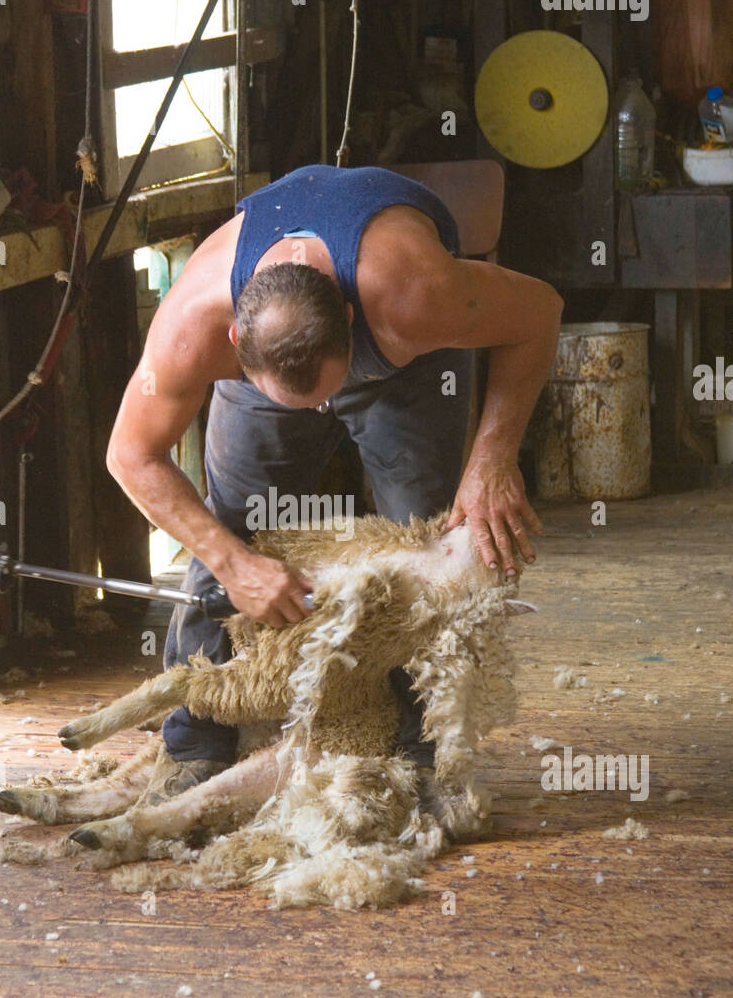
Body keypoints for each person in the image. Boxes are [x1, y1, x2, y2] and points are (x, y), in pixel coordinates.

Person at [107, 164, 563, 794]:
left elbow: (539, 311)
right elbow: (130, 455)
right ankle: (196, 741)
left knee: (425, 539)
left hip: (399, 363)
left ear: (348, 317)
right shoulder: (195, 325)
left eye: (323, 394)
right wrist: (234, 562)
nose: (317, 414)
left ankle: (421, 751)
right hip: (264, 373)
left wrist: (491, 461)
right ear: (234, 338)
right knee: (235, 523)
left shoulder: (416, 296)